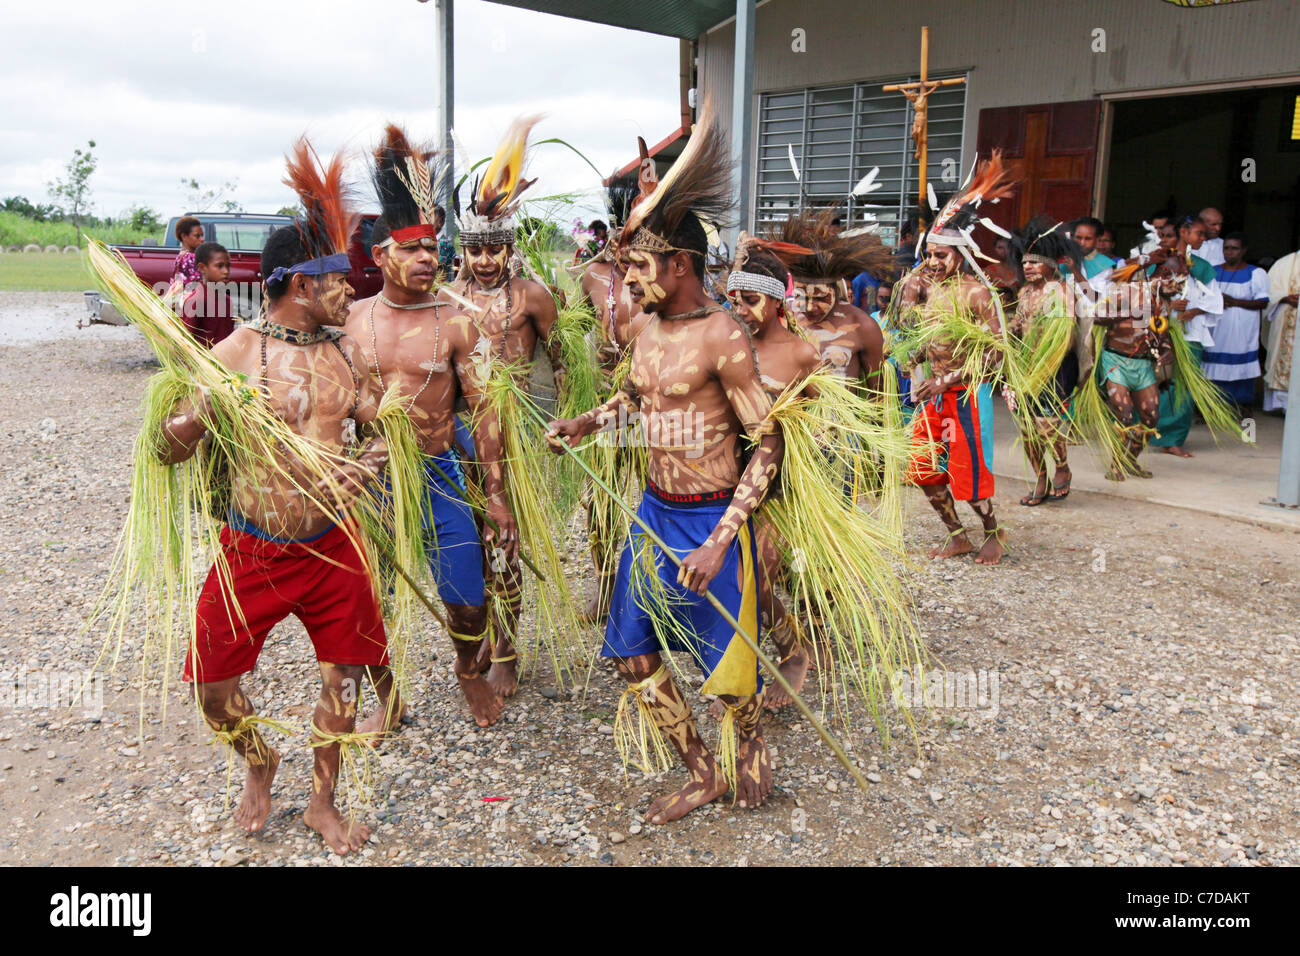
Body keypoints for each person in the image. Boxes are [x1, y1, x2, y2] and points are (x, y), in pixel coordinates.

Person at [548, 112, 784, 821]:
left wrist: (720, 540)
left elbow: (767, 442)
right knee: (631, 653)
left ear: (680, 265)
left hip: (714, 519)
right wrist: (587, 422)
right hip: (655, 514)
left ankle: (747, 749)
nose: (629, 282)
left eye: (641, 267)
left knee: (730, 679)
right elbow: (632, 396)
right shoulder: (646, 330)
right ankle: (701, 768)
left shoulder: (725, 336)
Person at [168, 140, 393, 855]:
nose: (351, 292)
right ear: (298, 283)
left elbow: (386, 428)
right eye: (338, 281)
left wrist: (369, 466)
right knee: (212, 686)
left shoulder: (346, 349)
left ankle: (322, 802)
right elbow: (168, 449)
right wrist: (199, 415)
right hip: (254, 548)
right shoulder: (234, 352)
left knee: (346, 678)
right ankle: (259, 761)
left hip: (333, 543)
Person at [346, 124, 518, 730]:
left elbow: (487, 409)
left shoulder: (458, 321)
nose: (429, 259)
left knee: (467, 601)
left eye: (432, 248)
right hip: (373, 478)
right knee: (368, 600)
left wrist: (496, 496)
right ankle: (387, 697)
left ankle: (468, 670)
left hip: (441, 471)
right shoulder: (351, 319)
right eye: (413, 249)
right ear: (380, 256)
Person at [435, 116, 565, 697]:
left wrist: (557, 422)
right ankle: (484, 630)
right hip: (463, 432)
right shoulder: (447, 297)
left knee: (507, 541)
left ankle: (508, 649)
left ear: (511, 248)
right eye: (475, 249)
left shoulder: (532, 295)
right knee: (472, 538)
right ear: (463, 251)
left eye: (494, 248)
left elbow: (561, 361)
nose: (485, 259)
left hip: (514, 434)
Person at [895, 153, 1013, 565]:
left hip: (965, 396)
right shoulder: (926, 288)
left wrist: (947, 380)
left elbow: (995, 353)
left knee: (971, 476)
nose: (932, 261)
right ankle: (957, 534)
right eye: (929, 253)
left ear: (961, 254)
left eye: (941, 255)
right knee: (923, 468)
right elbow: (912, 337)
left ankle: (992, 532)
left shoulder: (978, 293)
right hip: (933, 395)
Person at [725, 237, 820, 707]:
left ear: (778, 301)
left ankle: (792, 649)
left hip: (778, 484)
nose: (739, 308)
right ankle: (735, 667)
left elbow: (821, 419)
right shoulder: (726, 344)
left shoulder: (802, 353)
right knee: (728, 575)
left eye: (750, 299)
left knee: (756, 578)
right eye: (733, 298)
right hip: (726, 477)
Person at [1006, 218, 1084, 505]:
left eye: (1035, 262)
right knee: (1027, 429)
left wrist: (1045, 363)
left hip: (1055, 368)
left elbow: (1065, 338)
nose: (1028, 267)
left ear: (1051, 265)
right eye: (1025, 262)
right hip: (1026, 368)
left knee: (1047, 426)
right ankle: (1040, 476)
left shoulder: (1061, 292)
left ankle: (1062, 466)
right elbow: (1017, 324)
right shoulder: (1025, 293)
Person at [778, 209, 893, 396]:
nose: (809, 307)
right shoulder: (786, 320)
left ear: (835, 290)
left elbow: (878, 396)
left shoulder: (863, 326)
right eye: (801, 296)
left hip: (840, 423)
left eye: (820, 298)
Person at [1148, 216, 1220, 458]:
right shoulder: (1158, 261)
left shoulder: (1201, 266)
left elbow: (1215, 300)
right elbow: (1141, 294)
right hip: (1159, 330)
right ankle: (1148, 430)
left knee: (1184, 386)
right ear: (1183, 232)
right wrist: (1169, 304)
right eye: (1199, 233)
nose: (1203, 238)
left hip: (1190, 335)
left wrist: (1193, 310)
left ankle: (1173, 437)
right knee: (1155, 381)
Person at [1202, 233, 1268, 408]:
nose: (1230, 252)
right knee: (1213, 370)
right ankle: (1212, 408)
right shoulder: (1212, 271)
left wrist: (1234, 301)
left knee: (1242, 370)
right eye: (1226, 248)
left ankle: (1243, 407)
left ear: (1243, 250)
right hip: (1217, 330)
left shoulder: (1255, 273)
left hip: (1242, 331)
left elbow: (1262, 301)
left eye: (1235, 248)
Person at [179, 241, 236, 348]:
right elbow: (184, 341)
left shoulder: (226, 300)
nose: (226, 271)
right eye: (219, 266)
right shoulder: (196, 301)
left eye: (228, 266)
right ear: (202, 268)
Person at [1264, 243, 1300, 412]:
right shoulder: (1285, 263)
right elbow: (1268, 292)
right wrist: (1285, 298)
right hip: (1288, 319)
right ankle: (1284, 407)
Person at [1064, 217, 1115, 284]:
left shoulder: (1104, 266)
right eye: (1078, 238)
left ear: (1097, 239)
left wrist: (1074, 270)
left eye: (1088, 239)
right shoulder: (1064, 258)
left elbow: (1093, 294)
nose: (1082, 243)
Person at [171, 216, 204, 285]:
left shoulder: (181, 256)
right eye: (197, 236)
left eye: (202, 235)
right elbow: (201, 287)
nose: (202, 239)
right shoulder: (190, 258)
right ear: (184, 236)